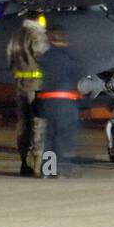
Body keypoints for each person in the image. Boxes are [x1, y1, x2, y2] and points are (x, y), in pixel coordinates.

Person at [36, 28, 85, 177]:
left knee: (49, 137)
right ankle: (62, 168)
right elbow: (80, 73)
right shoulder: (68, 58)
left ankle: (47, 170)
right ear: (65, 41)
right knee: (64, 136)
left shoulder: (43, 58)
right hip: (64, 102)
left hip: (46, 102)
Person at [6, 18, 48, 176]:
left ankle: (24, 163)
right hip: (36, 84)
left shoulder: (15, 37)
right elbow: (43, 58)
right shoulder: (36, 35)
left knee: (23, 124)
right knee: (38, 122)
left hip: (20, 84)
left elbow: (9, 61)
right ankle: (37, 163)